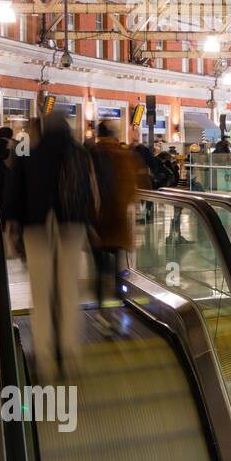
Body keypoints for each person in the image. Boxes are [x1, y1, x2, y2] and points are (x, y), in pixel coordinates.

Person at [4, 112, 96, 381]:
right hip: (71, 226)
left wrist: (13, 225)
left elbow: (14, 191)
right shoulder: (79, 153)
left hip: (37, 226)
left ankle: (44, 358)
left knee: (41, 292)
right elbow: (88, 193)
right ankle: (70, 355)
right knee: (68, 290)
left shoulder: (30, 150)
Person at [87, 120, 141, 331]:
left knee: (99, 269)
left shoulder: (91, 154)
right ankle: (120, 303)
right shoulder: (123, 155)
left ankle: (103, 312)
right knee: (118, 267)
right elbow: (131, 186)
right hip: (118, 221)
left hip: (97, 222)